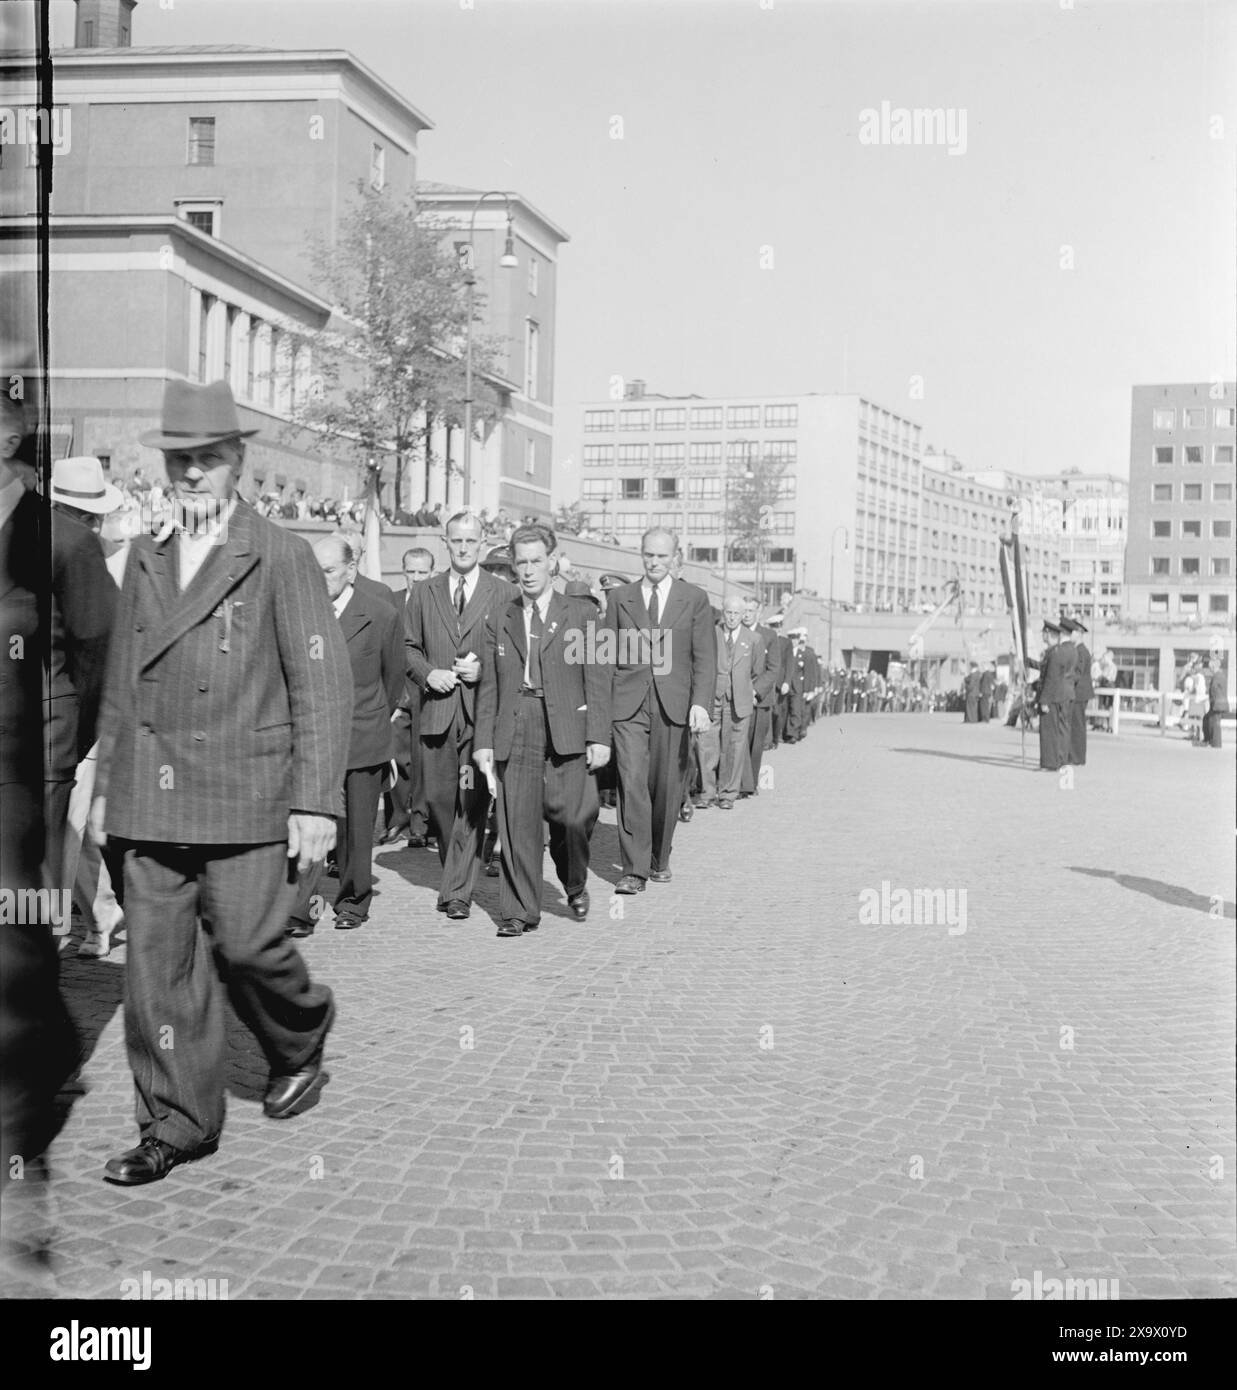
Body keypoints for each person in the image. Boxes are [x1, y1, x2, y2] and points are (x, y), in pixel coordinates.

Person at [92, 379, 351, 1185]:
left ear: (237, 462)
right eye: (180, 461)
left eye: (207, 460)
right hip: (150, 795)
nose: (192, 475)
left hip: (247, 791)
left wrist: (315, 799)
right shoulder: (147, 554)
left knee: (247, 946)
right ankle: (176, 1123)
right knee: (156, 973)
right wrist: (106, 786)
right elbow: (123, 677)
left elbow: (320, 684)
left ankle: (299, 1034)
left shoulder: (279, 553)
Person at [473, 525, 612, 936]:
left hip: (569, 723)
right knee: (518, 822)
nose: (529, 570)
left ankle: (573, 880)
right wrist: (483, 742)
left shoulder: (584, 614)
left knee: (574, 817)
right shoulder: (501, 617)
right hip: (518, 723)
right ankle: (518, 911)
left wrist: (599, 737)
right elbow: (490, 686)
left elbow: (599, 679)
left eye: (536, 561)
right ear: (513, 566)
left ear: (553, 562)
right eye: (521, 562)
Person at [288, 534, 403, 935]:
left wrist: (372, 717)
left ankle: (353, 901)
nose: (321, 578)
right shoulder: (300, 612)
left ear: (351, 570)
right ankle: (299, 909)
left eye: (330, 570)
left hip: (363, 735)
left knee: (356, 829)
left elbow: (393, 678)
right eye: (314, 570)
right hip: (312, 737)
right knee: (308, 819)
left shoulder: (381, 614)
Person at [405, 510, 516, 919]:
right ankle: (456, 876)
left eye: (472, 541)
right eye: (457, 541)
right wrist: (427, 673)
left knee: (471, 802)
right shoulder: (425, 592)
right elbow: (407, 647)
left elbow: (514, 655)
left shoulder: (502, 593)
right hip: (436, 714)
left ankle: (456, 893)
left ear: (483, 543)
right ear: (445, 542)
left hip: (477, 718)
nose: (465, 548)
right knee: (437, 802)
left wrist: (484, 670)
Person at [601, 528, 715, 892]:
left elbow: (705, 657)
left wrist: (700, 703)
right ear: (641, 555)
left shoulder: (694, 599)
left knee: (666, 785)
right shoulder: (621, 598)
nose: (654, 562)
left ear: (675, 558)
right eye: (648, 555)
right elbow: (606, 655)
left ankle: (659, 856)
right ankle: (634, 870)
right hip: (628, 705)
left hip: (674, 704)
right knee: (631, 781)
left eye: (662, 556)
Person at [382, 547, 434, 848]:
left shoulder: (439, 601)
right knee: (397, 760)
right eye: (411, 572)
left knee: (427, 761)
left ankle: (422, 824)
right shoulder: (391, 602)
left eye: (422, 572)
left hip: (428, 693)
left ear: (431, 572)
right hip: (398, 694)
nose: (416, 578)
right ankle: (397, 820)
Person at [699, 592, 756, 811]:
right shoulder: (711, 634)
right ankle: (707, 792)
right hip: (713, 698)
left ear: (743, 615)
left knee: (735, 748)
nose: (732, 618)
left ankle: (728, 794)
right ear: (723, 613)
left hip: (738, 702)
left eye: (736, 613)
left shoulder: (753, 640)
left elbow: (759, 670)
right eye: (728, 613)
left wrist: (751, 691)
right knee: (707, 746)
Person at [738, 598, 779, 798]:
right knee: (738, 740)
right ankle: (738, 783)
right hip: (737, 695)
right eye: (743, 610)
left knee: (755, 742)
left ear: (758, 612)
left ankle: (750, 783)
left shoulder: (769, 636)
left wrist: (755, 691)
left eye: (750, 610)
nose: (746, 614)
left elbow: (773, 669)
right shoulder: (735, 632)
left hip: (759, 700)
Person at [1028, 620, 1075, 771]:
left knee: (1048, 731)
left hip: (1053, 696)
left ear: (1049, 634)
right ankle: (1056, 761)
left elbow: (1051, 678)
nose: (1042, 635)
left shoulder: (1055, 653)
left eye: (1044, 632)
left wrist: (1044, 701)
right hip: (1060, 695)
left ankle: (1049, 763)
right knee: (1056, 730)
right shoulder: (1063, 650)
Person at [1060, 617, 1093, 764]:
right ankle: (1074, 756)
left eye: (1071, 632)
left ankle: (1077, 757)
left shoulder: (1081, 651)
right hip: (1078, 692)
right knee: (1075, 725)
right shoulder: (1079, 650)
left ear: (1078, 633)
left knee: (1077, 726)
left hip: (1079, 693)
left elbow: (1077, 673)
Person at [1202, 654, 1229, 749]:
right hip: (1218, 703)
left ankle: (1215, 743)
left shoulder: (1217, 676)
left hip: (1217, 704)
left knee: (1214, 722)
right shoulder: (1221, 675)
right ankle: (1210, 740)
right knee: (1208, 719)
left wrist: (1211, 701)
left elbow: (1214, 690)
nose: (1210, 670)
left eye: (1210, 668)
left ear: (1214, 667)